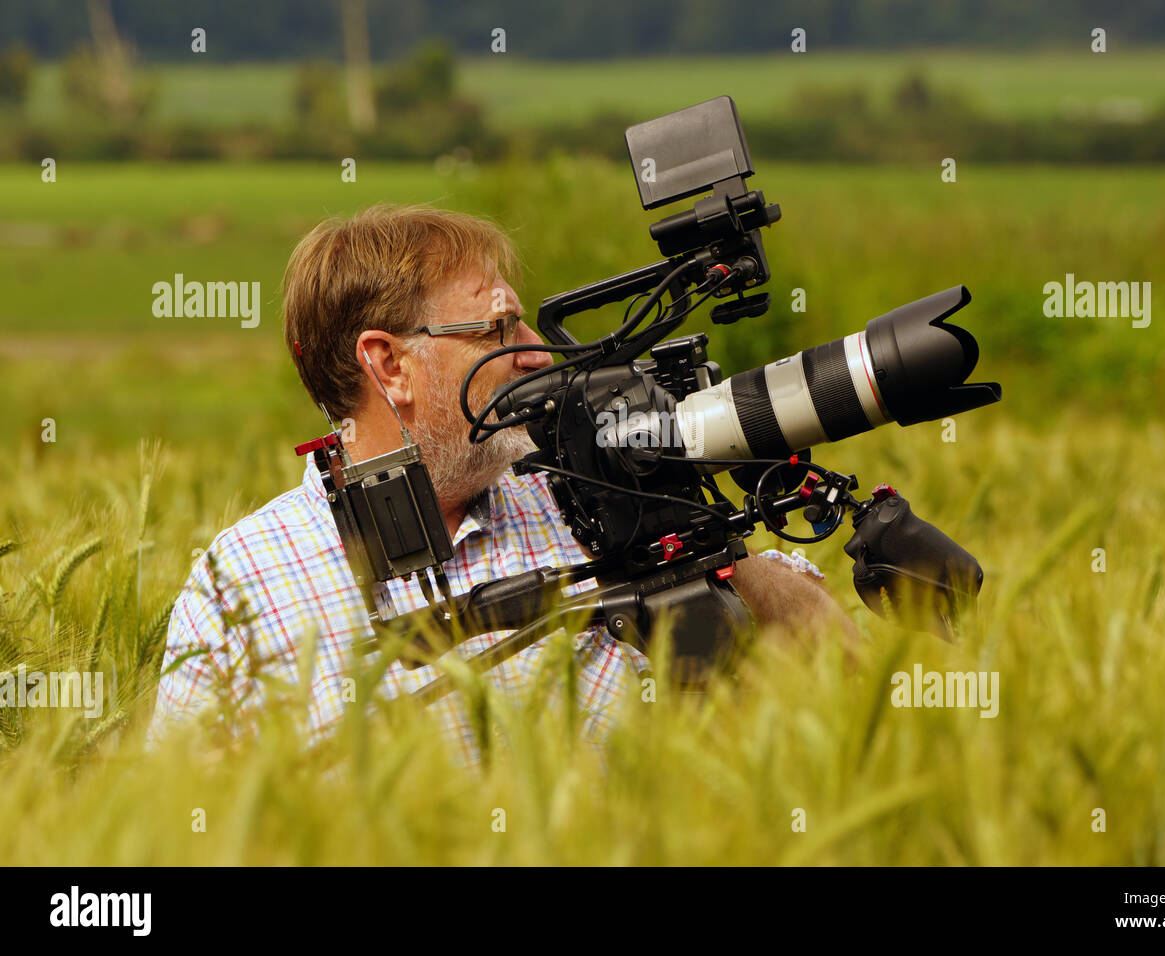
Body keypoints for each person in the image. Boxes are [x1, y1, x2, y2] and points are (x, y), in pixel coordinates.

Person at [150, 204, 853, 763]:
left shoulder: (583, 497)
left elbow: (845, 676)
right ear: (389, 365)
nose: (538, 355)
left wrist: (717, 562)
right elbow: (177, 823)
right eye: (499, 328)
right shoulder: (242, 578)